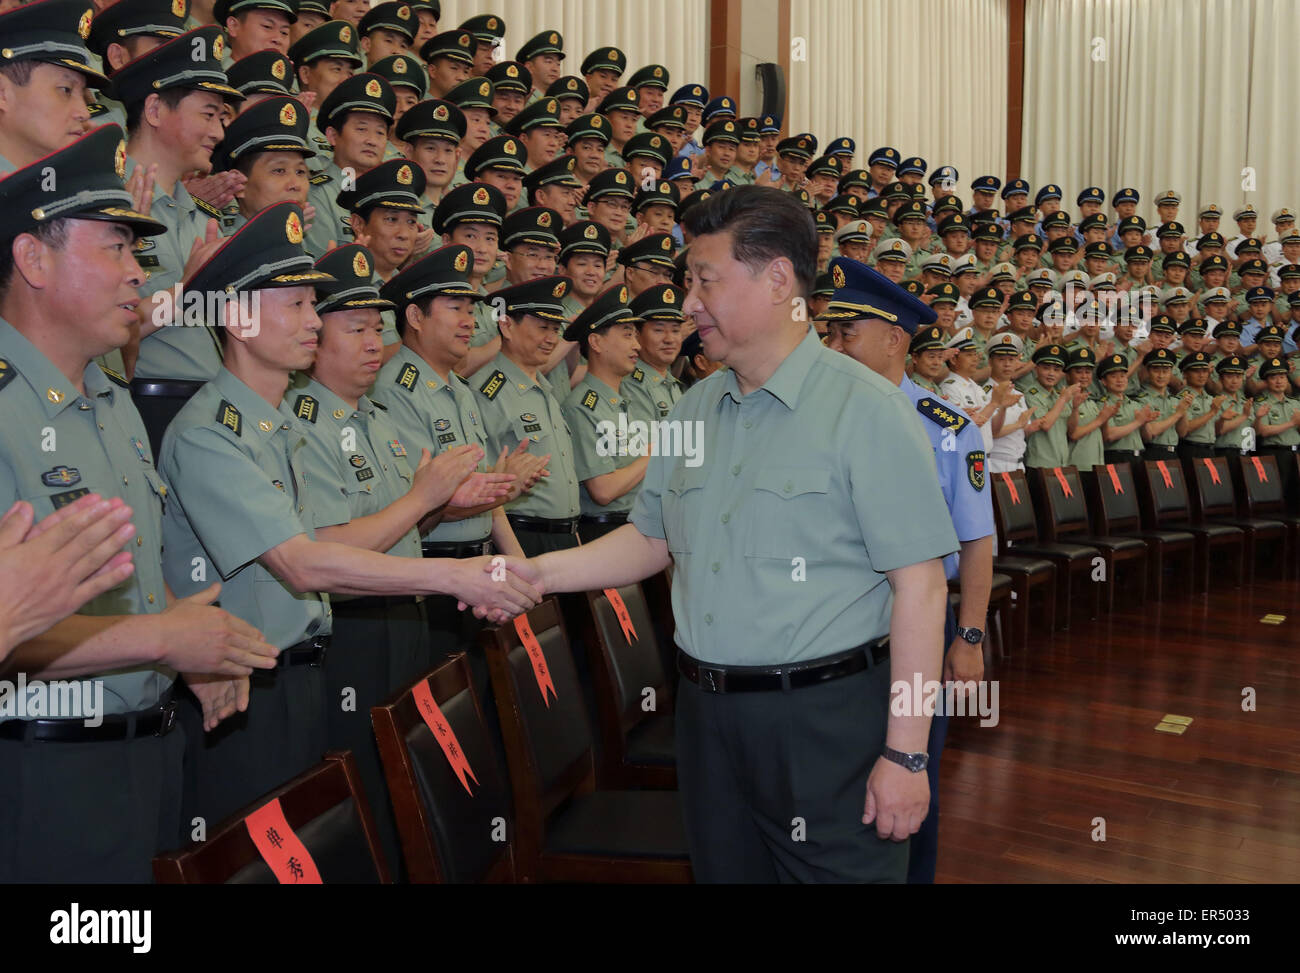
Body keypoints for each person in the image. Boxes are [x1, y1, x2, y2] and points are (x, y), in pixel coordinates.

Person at [499, 187, 960, 883]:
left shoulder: (868, 411)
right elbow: (651, 539)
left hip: (825, 723)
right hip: (707, 719)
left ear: (777, 279)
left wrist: (906, 753)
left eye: (704, 281)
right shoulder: (693, 408)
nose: (687, 303)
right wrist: (539, 574)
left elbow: (921, 588)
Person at [158, 201, 540, 829]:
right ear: (238, 319)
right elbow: (303, 564)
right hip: (249, 686)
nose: (314, 321)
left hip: (304, 668)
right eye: (297, 305)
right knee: (257, 846)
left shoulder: (278, 425)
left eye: (314, 306)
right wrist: (451, 572)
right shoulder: (211, 433)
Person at [0, 126, 280, 882]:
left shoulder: (113, 398)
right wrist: (163, 638)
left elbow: (129, 589)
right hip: (45, 772)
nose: (138, 272)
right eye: (116, 248)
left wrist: (192, 644)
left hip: (144, 756)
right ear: (33, 259)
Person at [818, 256, 992, 885]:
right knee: (836, 769)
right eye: (828, 334)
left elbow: (977, 540)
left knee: (914, 763)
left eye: (847, 334)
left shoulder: (947, 430)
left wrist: (968, 637)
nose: (833, 346)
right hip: (832, 623)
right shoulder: (817, 417)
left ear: (895, 339)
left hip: (918, 623)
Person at [472, 275, 584, 556]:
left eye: (556, 329)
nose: (552, 339)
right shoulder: (488, 392)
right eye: (543, 328)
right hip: (520, 537)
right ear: (507, 326)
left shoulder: (545, 388)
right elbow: (481, 481)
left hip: (563, 537)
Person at [562, 285, 649, 542]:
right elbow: (603, 490)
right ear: (596, 342)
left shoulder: (626, 402)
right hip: (604, 531)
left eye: (635, 336)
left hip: (636, 525)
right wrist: (654, 455)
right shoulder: (581, 407)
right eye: (627, 335)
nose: (637, 346)